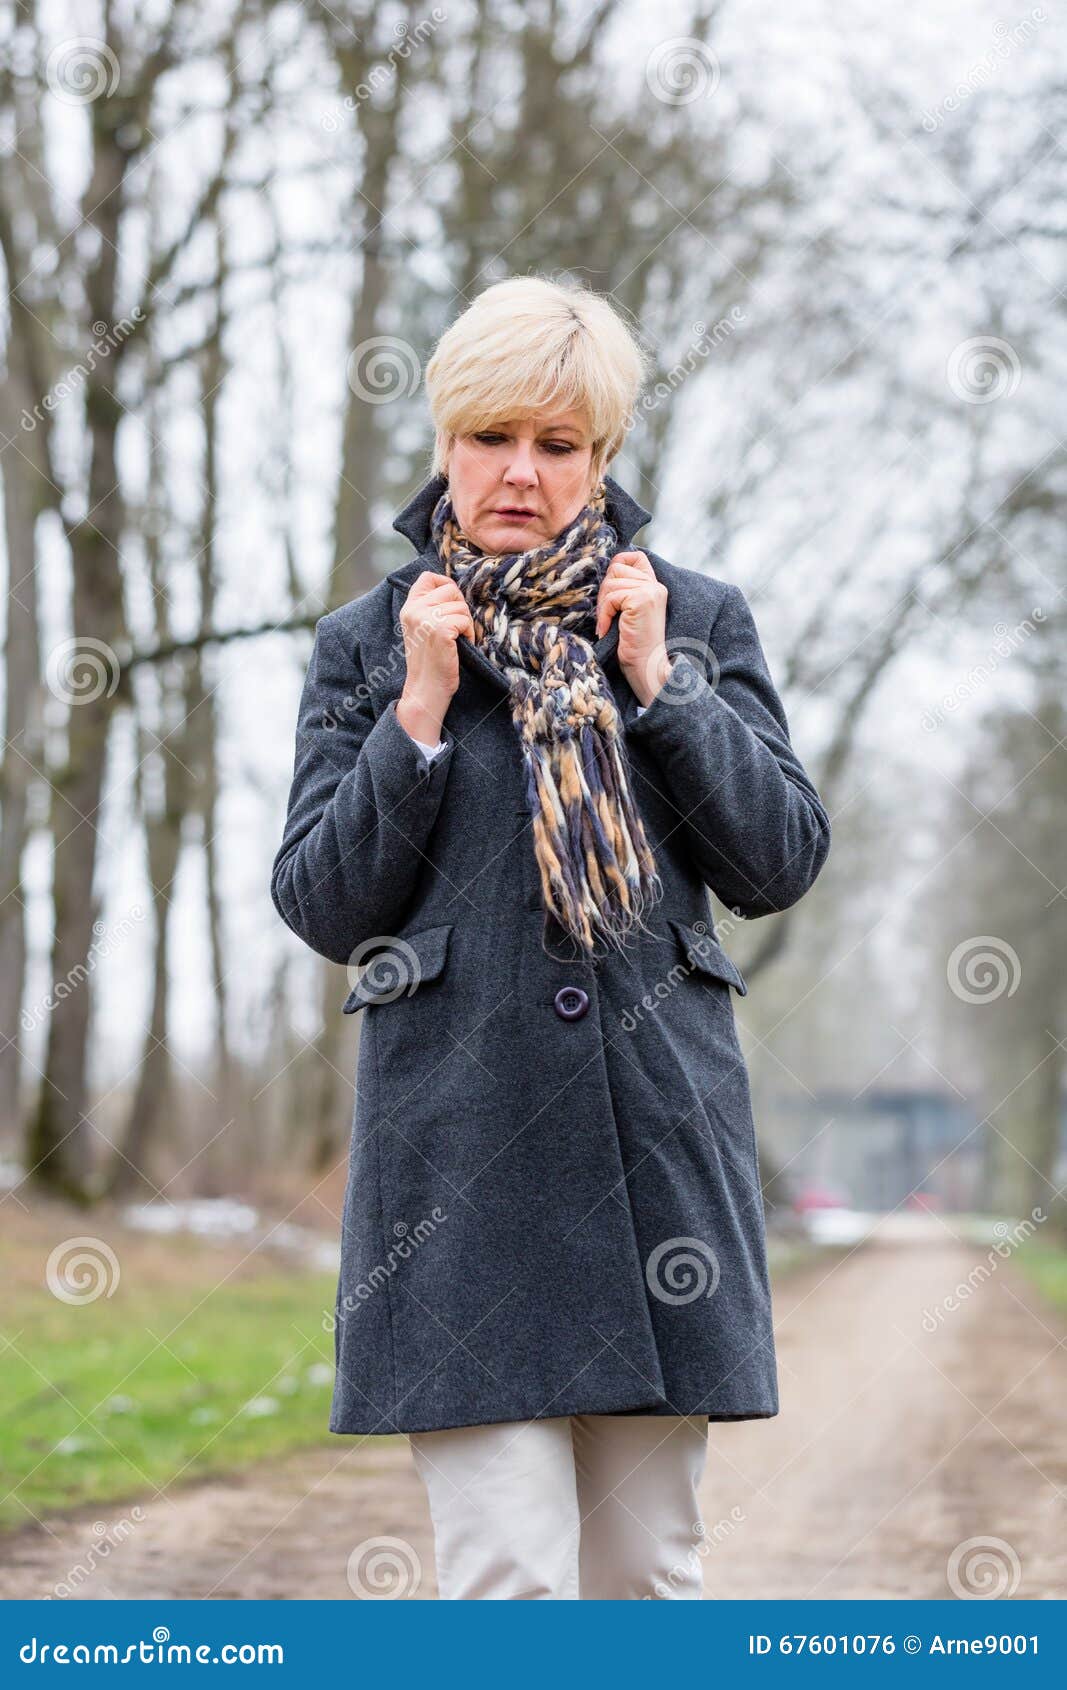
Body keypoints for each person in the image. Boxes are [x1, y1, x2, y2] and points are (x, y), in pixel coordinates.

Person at [271, 275, 832, 1599]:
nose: (520, 473)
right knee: (504, 1581)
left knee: (649, 1575)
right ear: (445, 441)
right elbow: (321, 900)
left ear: (603, 457)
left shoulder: (691, 619)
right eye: (491, 436)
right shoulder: (373, 640)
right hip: (458, 1178)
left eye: (558, 444)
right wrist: (417, 709)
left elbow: (778, 856)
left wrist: (661, 689)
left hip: (657, 1164)